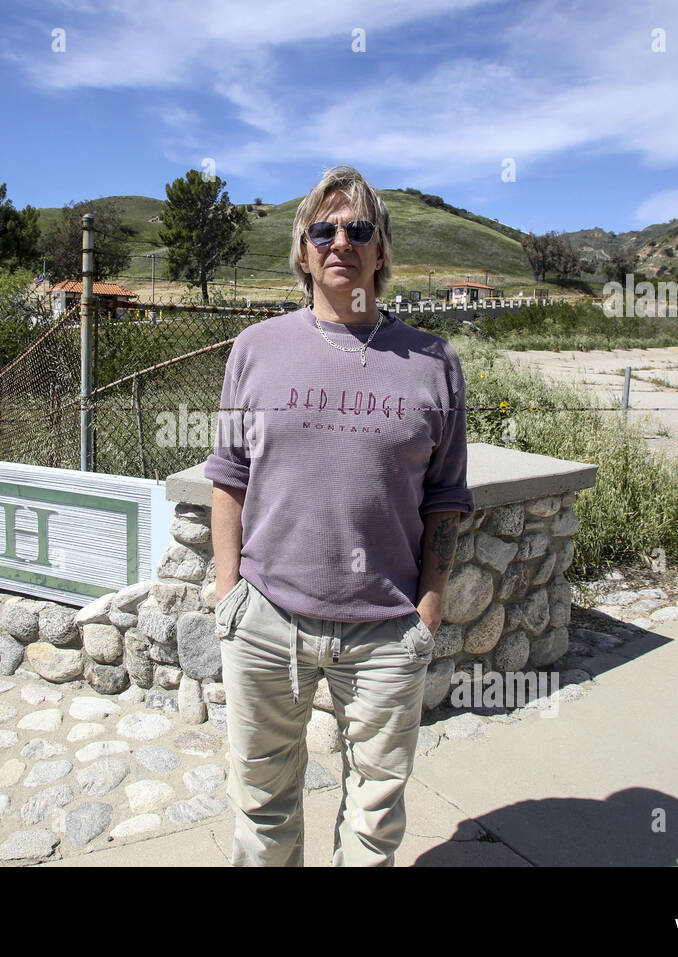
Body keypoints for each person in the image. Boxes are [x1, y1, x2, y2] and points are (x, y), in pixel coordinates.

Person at [204, 165, 474, 866]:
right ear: (302, 251)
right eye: (323, 230)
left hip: (386, 630)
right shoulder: (256, 350)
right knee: (263, 810)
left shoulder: (433, 362)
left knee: (374, 821)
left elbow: (446, 496)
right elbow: (229, 476)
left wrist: (429, 609)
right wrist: (228, 591)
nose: (340, 242)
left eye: (359, 230)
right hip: (266, 619)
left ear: (381, 251)